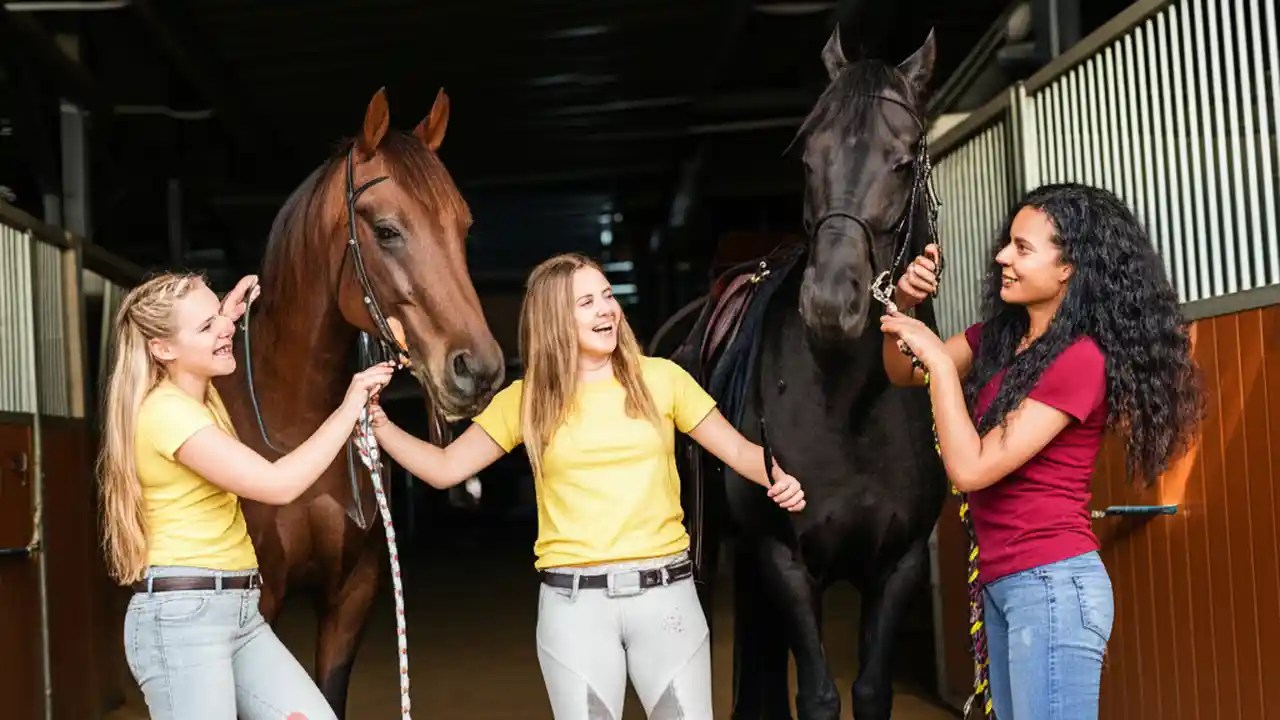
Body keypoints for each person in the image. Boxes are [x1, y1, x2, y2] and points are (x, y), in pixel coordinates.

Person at [367, 252, 806, 719]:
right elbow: (445, 468)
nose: (606, 310)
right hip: (575, 609)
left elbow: (738, 452)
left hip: (666, 599)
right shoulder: (527, 401)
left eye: (608, 297)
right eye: (587, 302)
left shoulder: (661, 380)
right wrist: (380, 425)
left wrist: (777, 475)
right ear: (556, 319)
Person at [879, 182, 1202, 719]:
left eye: (1023, 248)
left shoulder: (1080, 360)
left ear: (1069, 268)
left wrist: (939, 363)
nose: (1002, 256)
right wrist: (906, 307)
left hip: (1050, 587)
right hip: (1009, 583)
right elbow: (899, 371)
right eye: (1009, 243)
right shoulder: (1000, 337)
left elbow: (971, 467)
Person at [96, 271, 395, 720]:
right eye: (204, 327)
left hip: (237, 613)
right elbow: (279, 484)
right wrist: (349, 405)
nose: (222, 329)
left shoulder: (198, 398)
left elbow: (212, 351)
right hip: (185, 620)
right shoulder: (168, 414)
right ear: (162, 349)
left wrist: (222, 320)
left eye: (218, 316)